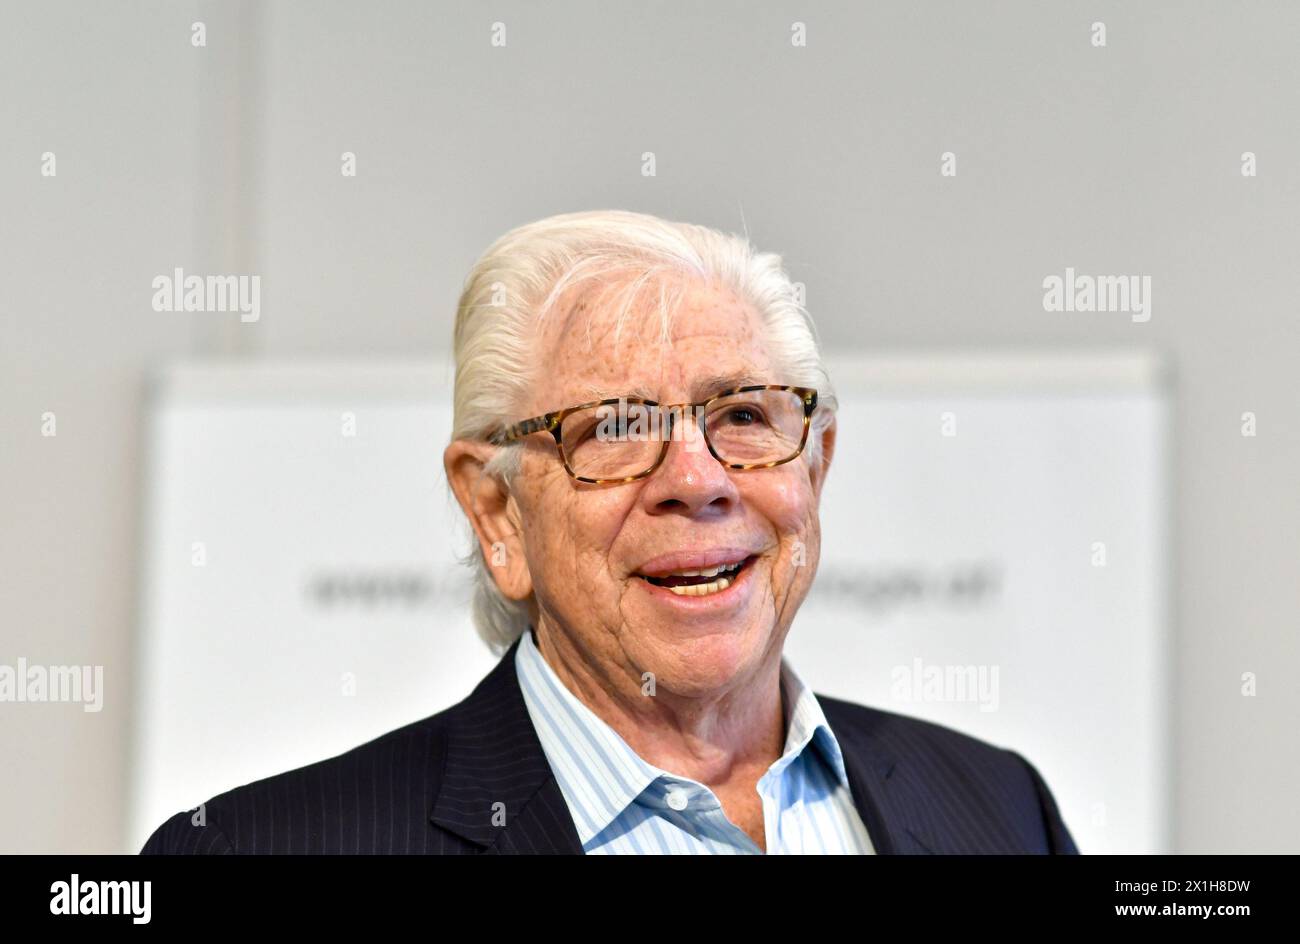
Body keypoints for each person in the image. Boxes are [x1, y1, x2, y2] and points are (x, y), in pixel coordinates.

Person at [142, 209, 1078, 854]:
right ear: (497, 511)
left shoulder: (998, 810)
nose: (697, 481)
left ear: (815, 465)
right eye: (614, 431)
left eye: (745, 415)